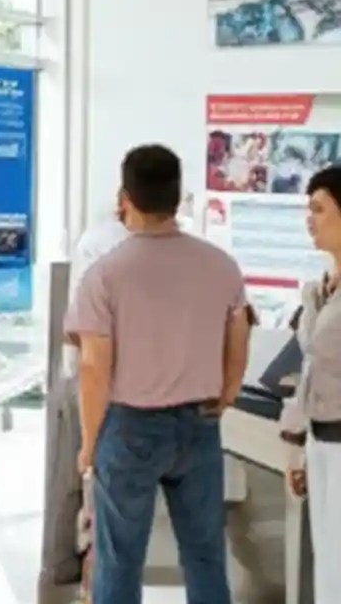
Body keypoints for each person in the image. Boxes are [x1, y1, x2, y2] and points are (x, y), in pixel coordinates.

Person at [64, 145, 249, 604]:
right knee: (205, 554)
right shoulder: (220, 265)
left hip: (129, 428)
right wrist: (225, 395)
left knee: (120, 559)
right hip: (199, 425)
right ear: (178, 195)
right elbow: (238, 339)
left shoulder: (105, 274)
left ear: (125, 197)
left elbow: (94, 366)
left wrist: (89, 444)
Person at [281, 165, 341, 601]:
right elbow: (310, 368)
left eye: (319, 209)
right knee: (328, 564)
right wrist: (297, 442)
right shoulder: (321, 288)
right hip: (322, 440)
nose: (310, 219)